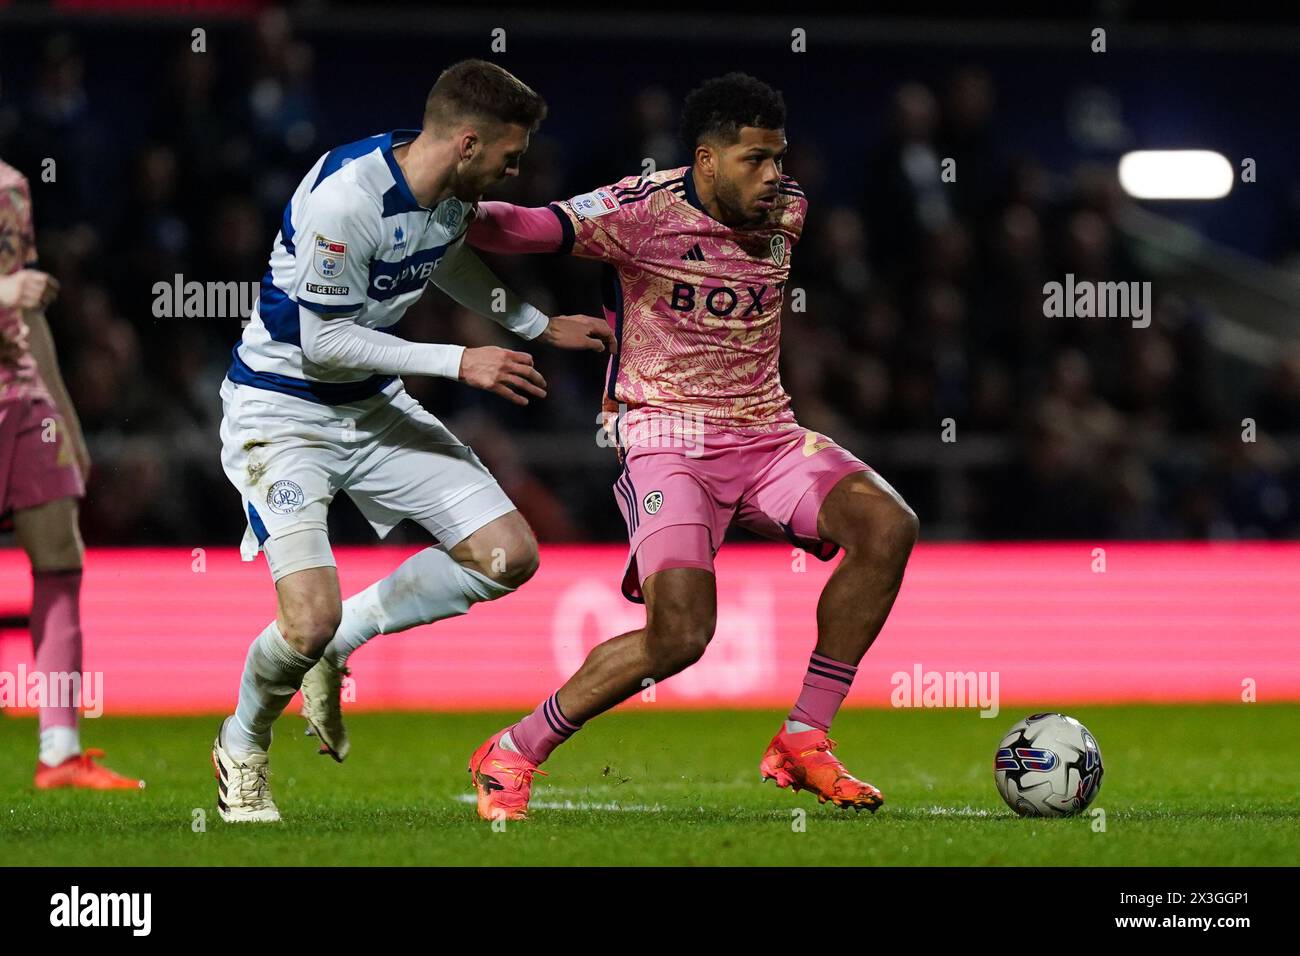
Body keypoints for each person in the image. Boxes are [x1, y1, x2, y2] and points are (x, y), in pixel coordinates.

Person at [460, 73, 919, 820]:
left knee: (889, 525)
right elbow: (522, 227)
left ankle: (805, 737)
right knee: (680, 636)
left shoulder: (790, 210)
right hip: (666, 436)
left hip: (767, 433)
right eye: (754, 160)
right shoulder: (636, 212)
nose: (774, 177)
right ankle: (512, 749)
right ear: (705, 161)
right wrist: (442, 202)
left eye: (779, 157)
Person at [210, 60, 612, 822]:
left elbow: (448, 258)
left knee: (507, 555)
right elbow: (326, 342)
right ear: (468, 144)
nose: (514, 173)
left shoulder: (446, 196)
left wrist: (533, 324)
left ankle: (342, 641)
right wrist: (461, 361)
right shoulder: (346, 200)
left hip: (370, 407)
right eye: (510, 156)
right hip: (284, 414)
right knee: (304, 619)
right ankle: (242, 743)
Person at [0, 157, 140, 790]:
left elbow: (28, 316)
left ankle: (59, 749)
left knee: (61, 560)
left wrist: (65, 416)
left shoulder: (10, 186)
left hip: (23, 400)